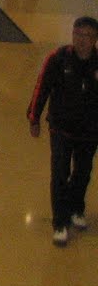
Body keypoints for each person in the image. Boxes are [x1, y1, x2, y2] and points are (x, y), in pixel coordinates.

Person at [27, 16, 98, 247]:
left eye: (87, 36)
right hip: (61, 128)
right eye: (78, 34)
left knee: (82, 172)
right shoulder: (58, 59)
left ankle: (77, 208)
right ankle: (60, 222)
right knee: (59, 173)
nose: (82, 40)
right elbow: (42, 86)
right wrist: (34, 116)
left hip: (90, 131)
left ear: (95, 39)